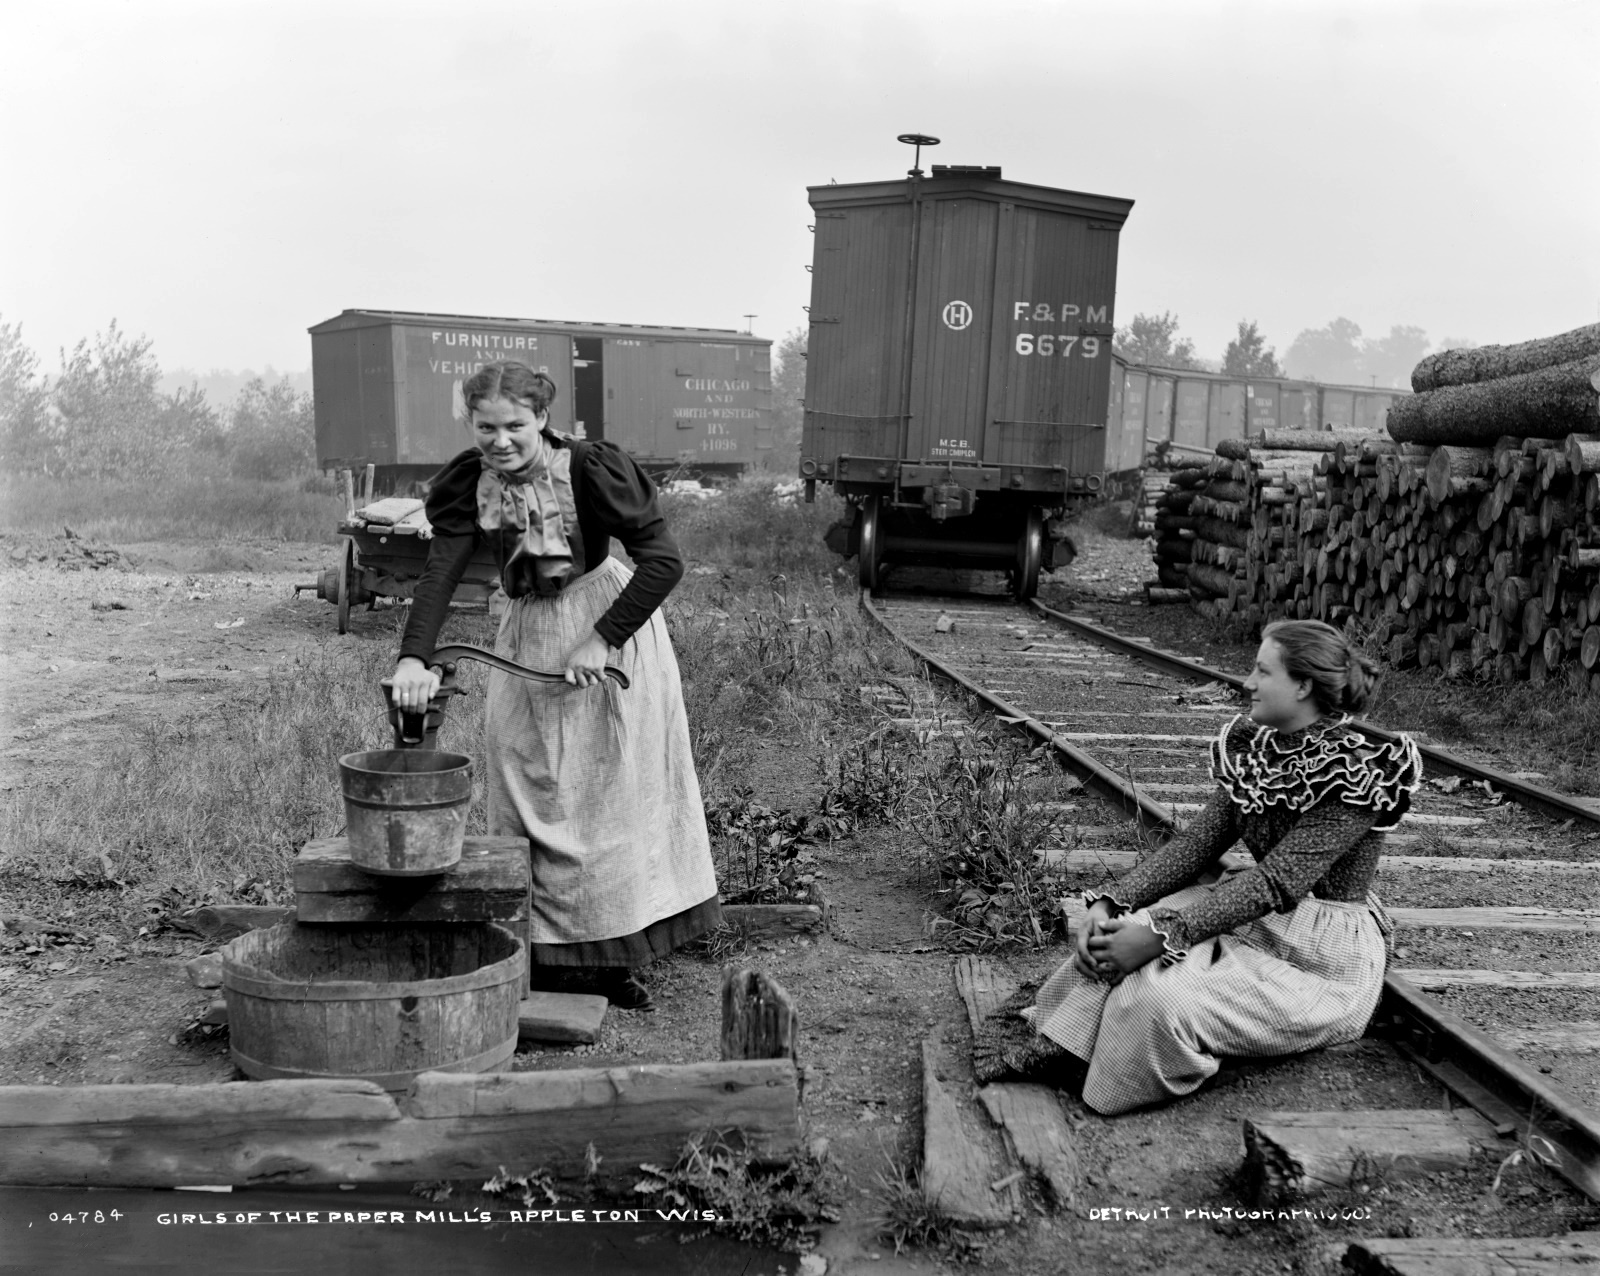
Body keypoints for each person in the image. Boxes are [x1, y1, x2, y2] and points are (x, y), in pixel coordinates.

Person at [973, 619, 1422, 1114]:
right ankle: (1069, 1047)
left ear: (1302, 686)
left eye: (1262, 671)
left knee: (1160, 998)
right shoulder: (1256, 750)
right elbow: (1195, 847)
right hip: (1249, 920)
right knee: (1120, 942)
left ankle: (1103, 1067)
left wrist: (1165, 933)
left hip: (1319, 957)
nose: (1247, 683)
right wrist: (1110, 902)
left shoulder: (1357, 774)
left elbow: (1278, 882)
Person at [388, 362, 721, 1010]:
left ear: (542, 418)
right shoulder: (469, 483)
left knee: (607, 797)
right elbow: (442, 573)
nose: (501, 440)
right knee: (525, 786)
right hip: (526, 636)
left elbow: (664, 562)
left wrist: (603, 636)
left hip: (605, 624)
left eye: (515, 425)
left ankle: (611, 960)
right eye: (487, 426)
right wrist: (412, 658)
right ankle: (537, 955)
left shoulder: (590, 471)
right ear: (470, 423)